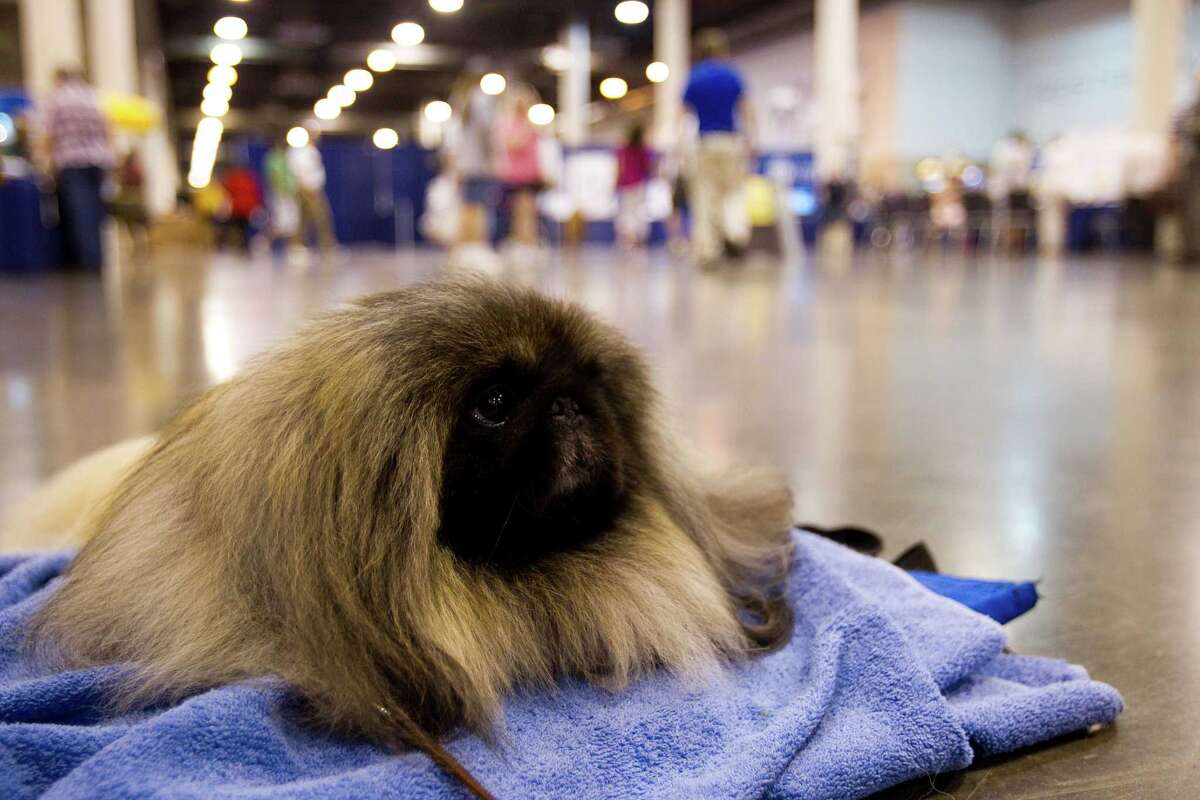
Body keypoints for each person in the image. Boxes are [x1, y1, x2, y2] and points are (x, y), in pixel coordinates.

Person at [682, 29, 756, 268]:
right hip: (731, 141)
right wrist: (752, 140)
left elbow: (682, 115)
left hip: (705, 143)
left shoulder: (695, 77)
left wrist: (677, 148)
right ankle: (736, 232)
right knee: (733, 191)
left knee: (705, 196)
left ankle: (708, 250)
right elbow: (747, 110)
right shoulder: (732, 76)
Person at [42, 67, 114, 270]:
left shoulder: (57, 99)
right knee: (95, 212)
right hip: (98, 160)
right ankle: (98, 259)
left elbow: (49, 134)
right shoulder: (93, 97)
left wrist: (46, 163)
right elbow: (108, 130)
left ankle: (85, 262)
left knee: (78, 212)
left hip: (70, 161)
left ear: (59, 78)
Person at [446, 68, 500, 272]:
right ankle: (475, 248)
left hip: (465, 167)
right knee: (476, 208)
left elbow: (450, 146)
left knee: (468, 207)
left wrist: (453, 169)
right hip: (476, 166)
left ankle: (466, 249)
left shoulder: (458, 113)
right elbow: (488, 134)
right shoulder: (480, 102)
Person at [495, 84, 543, 254]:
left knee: (529, 212)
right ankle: (521, 244)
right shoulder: (507, 123)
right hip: (515, 176)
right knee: (518, 212)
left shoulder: (532, 123)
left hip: (532, 175)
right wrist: (527, 133)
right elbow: (512, 144)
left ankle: (529, 243)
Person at [285, 131, 336, 254]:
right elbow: (298, 171)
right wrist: (305, 186)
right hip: (307, 189)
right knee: (318, 216)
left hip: (314, 188)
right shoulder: (297, 152)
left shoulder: (312, 151)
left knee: (306, 217)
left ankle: (305, 245)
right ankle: (300, 246)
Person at [615, 124, 653, 249]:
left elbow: (620, 167)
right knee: (638, 211)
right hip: (639, 184)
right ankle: (638, 237)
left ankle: (629, 238)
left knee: (627, 211)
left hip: (627, 184)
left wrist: (616, 181)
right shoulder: (643, 149)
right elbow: (647, 167)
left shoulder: (624, 149)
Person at [110, 149, 149, 260]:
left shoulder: (127, 169)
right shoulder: (136, 168)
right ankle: (139, 245)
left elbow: (120, 180)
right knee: (136, 226)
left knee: (132, 226)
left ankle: (138, 245)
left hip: (128, 200)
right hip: (133, 200)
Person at [264, 132, 300, 252]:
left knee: (291, 223)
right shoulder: (273, 158)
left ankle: (291, 248)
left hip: (289, 194)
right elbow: (273, 177)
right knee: (280, 223)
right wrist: (279, 192)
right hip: (280, 194)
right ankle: (262, 242)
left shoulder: (286, 157)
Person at [219, 161, 263, 252]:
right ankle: (243, 245)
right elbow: (256, 194)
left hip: (238, 209)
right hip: (246, 209)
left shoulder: (234, 178)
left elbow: (227, 192)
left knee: (235, 227)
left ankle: (229, 244)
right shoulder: (250, 179)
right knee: (243, 228)